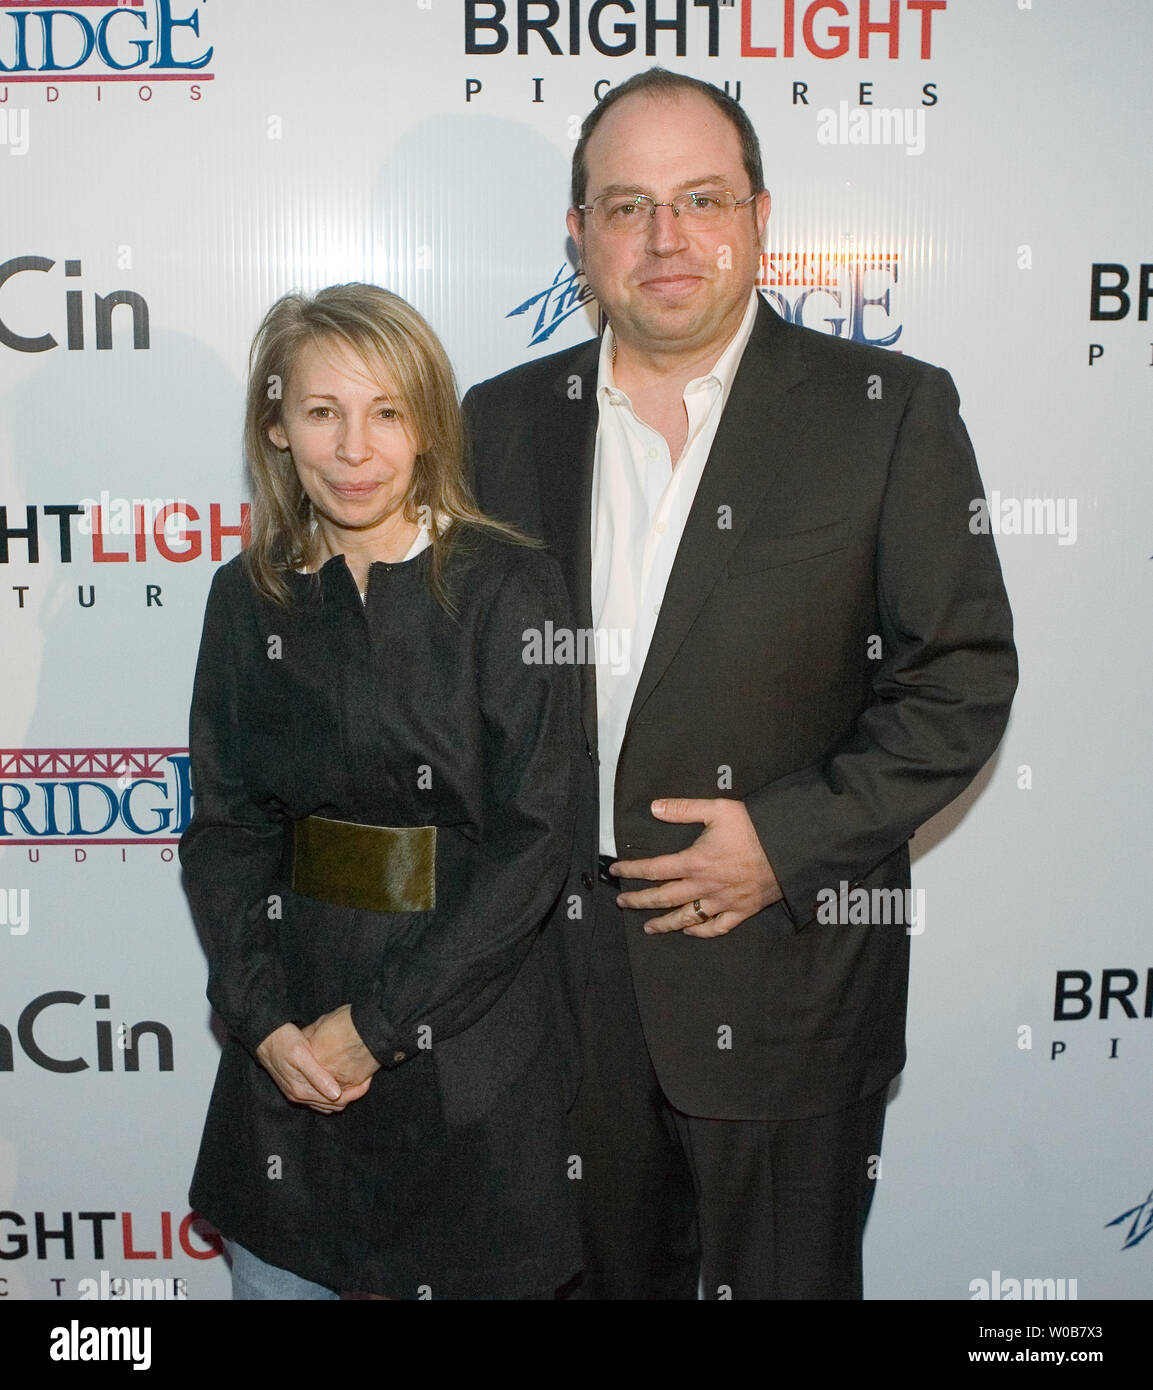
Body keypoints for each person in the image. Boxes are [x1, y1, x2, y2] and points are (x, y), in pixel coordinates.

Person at [463, 68, 1018, 1299]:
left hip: (785, 990)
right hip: (550, 1003)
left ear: (760, 217)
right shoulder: (495, 426)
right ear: (579, 236)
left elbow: (959, 679)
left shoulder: (887, 412)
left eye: (700, 198)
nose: (665, 238)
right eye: (626, 206)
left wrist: (783, 840)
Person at [180, 283, 581, 1300]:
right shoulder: (247, 594)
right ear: (276, 426)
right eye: (322, 412)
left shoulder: (507, 587)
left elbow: (535, 842)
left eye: (387, 412)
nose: (355, 449)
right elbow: (226, 826)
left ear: (429, 426)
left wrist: (378, 1024)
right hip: (290, 1054)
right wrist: (267, 1021)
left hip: (469, 1043)